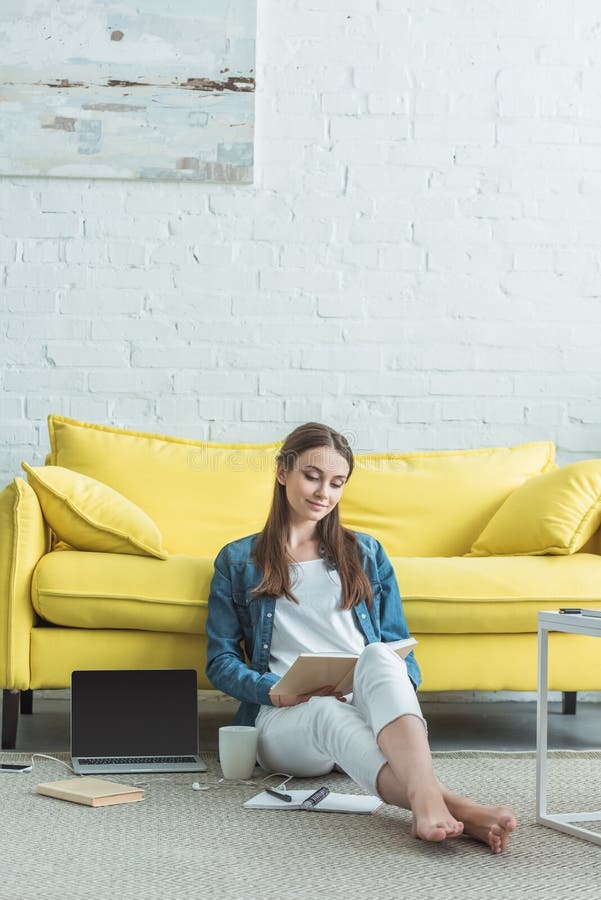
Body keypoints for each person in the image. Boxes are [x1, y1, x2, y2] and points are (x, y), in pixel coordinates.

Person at [206, 422, 517, 853]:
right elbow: (219, 660)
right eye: (311, 476)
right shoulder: (238, 560)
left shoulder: (365, 552)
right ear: (282, 472)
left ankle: (437, 808)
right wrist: (274, 692)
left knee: (380, 653)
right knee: (322, 711)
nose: (323, 494)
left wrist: (385, 690)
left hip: (367, 709)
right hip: (286, 722)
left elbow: (397, 645)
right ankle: (451, 805)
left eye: (336, 483)